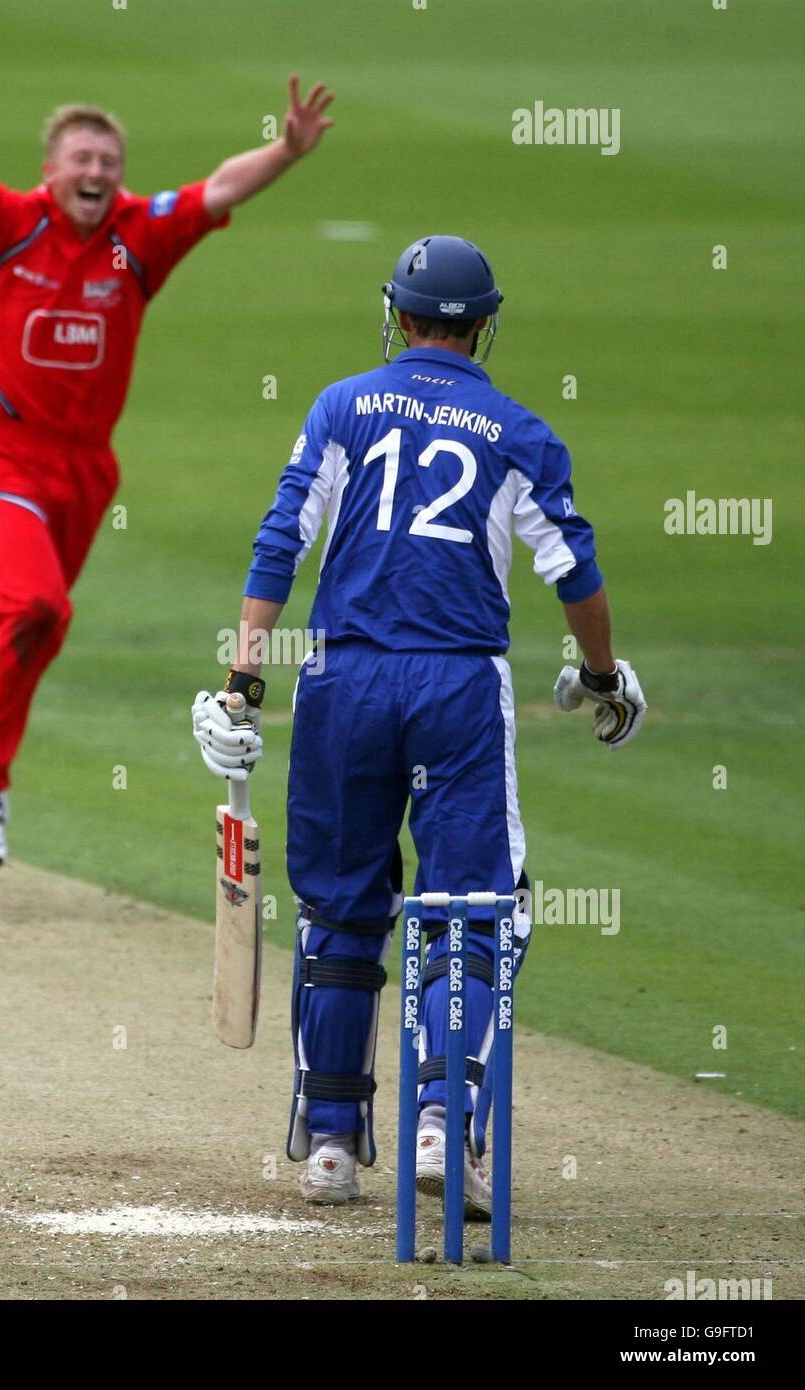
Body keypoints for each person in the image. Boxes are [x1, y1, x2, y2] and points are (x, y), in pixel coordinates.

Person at [192, 235, 646, 1207]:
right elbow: (576, 572)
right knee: (478, 909)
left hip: (341, 681)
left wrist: (243, 680)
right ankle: (443, 1125)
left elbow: (282, 538)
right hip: (455, 690)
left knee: (343, 908)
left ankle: (329, 1143)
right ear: (484, 327)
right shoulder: (519, 431)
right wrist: (602, 675)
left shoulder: (341, 405)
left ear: (396, 316)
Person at [0, 33, 335, 898]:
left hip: (83, 475)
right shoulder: (8, 224)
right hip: (1, 454)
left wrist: (289, 150)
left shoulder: (137, 237)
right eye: (82, 156)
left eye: (110, 159)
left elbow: (218, 188)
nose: (98, 169)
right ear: (51, 167)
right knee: (36, 603)